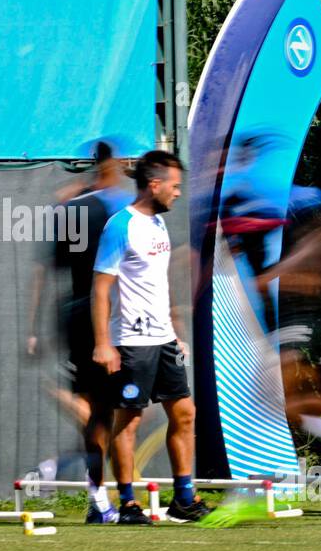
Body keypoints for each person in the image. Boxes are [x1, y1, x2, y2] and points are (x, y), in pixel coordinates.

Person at [92, 149, 209, 524]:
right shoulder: (120, 225)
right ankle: (127, 504)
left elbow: (157, 284)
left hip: (163, 341)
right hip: (131, 343)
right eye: (174, 186)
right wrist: (103, 343)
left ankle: (184, 500)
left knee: (185, 413)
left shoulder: (159, 225)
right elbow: (100, 288)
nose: (178, 193)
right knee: (129, 422)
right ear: (154, 184)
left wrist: (174, 332)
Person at [27, 141, 134, 523]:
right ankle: (115, 498)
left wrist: (34, 328)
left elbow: (45, 270)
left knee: (102, 411)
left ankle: (93, 491)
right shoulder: (121, 208)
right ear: (115, 164)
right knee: (118, 411)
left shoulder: (71, 206)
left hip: (75, 314)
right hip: (107, 317)